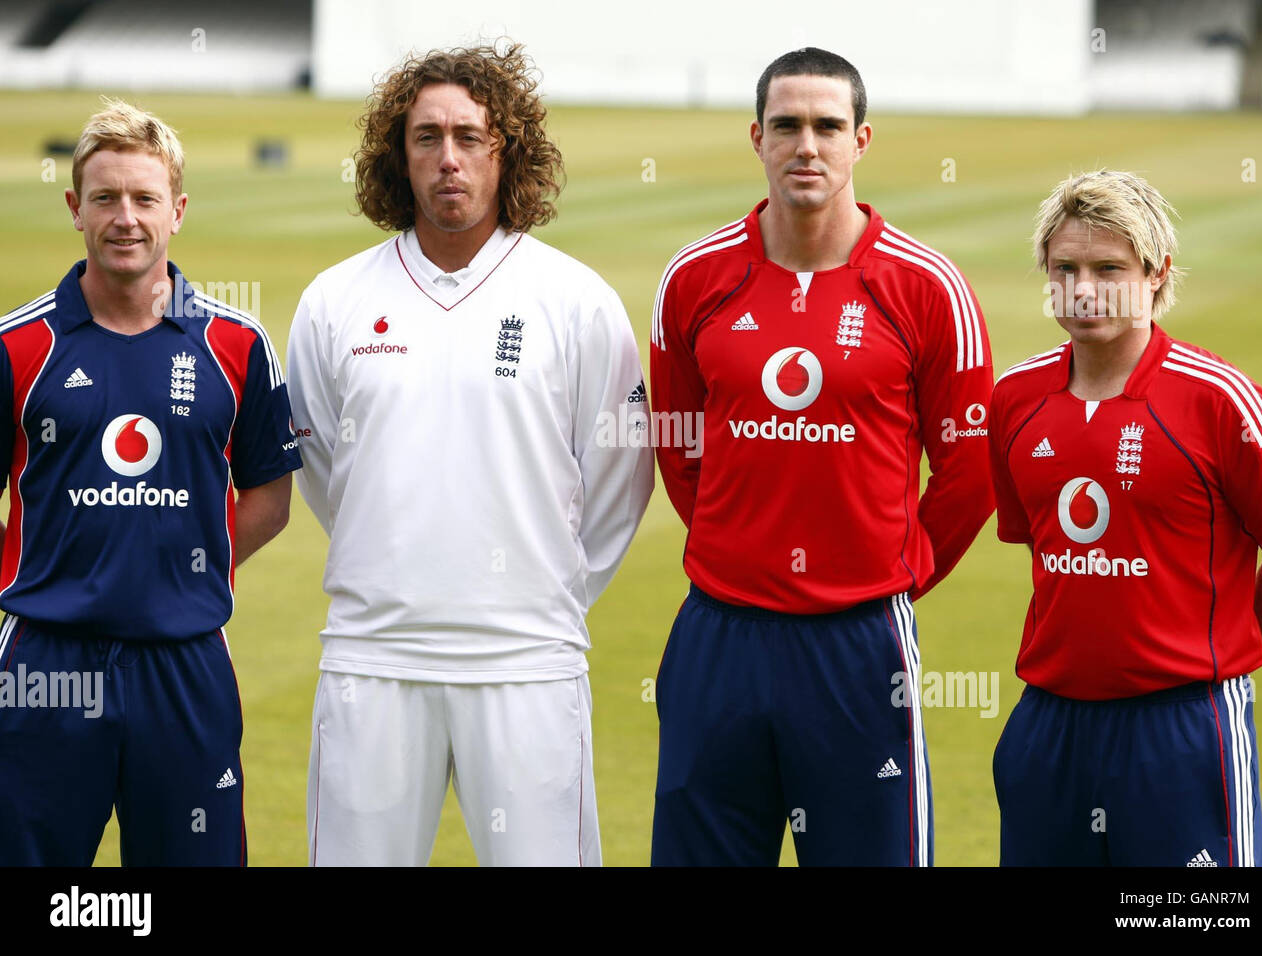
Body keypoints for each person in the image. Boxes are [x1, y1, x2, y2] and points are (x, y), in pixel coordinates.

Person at [287, 43, 653, 867]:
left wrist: (543, 590)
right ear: (398, 154)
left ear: (506, 151)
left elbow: (621, 477)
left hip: (527, 660)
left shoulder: (576, 300)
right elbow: (322, 468)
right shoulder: (335, 301)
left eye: (470, 137)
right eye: (426, 138)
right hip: (373, 657)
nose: (448, 159)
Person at [649, 48, 994, 866]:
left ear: (861, 139)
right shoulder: (695, 278)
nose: (808, 145)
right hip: (718, 632)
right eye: (788, 125)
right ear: (757, 138)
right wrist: (746, 551)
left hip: (861, 641)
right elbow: (677, 442)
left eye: (828, 126)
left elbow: (969, 471)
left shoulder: (927, 287)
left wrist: (891, 572)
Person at [0, 99, 300, 865]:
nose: (125, 218)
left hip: (185, 662)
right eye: (105, 198)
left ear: (178, 210)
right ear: (74, 209)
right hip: (46, 664)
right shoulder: (19, 346)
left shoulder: (237, 344)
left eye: (144, 198)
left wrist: (189, 561)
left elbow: (269, 494)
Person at [989, 170, 1262, 866]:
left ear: (1156, 277)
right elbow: (1041, 547)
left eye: (1110, 269)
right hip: (1050, 722)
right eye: (1065, 268)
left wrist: (1228, 639)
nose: (1084, 288)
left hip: (1183, 724)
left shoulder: (1221, 399)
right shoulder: (1013, 398)